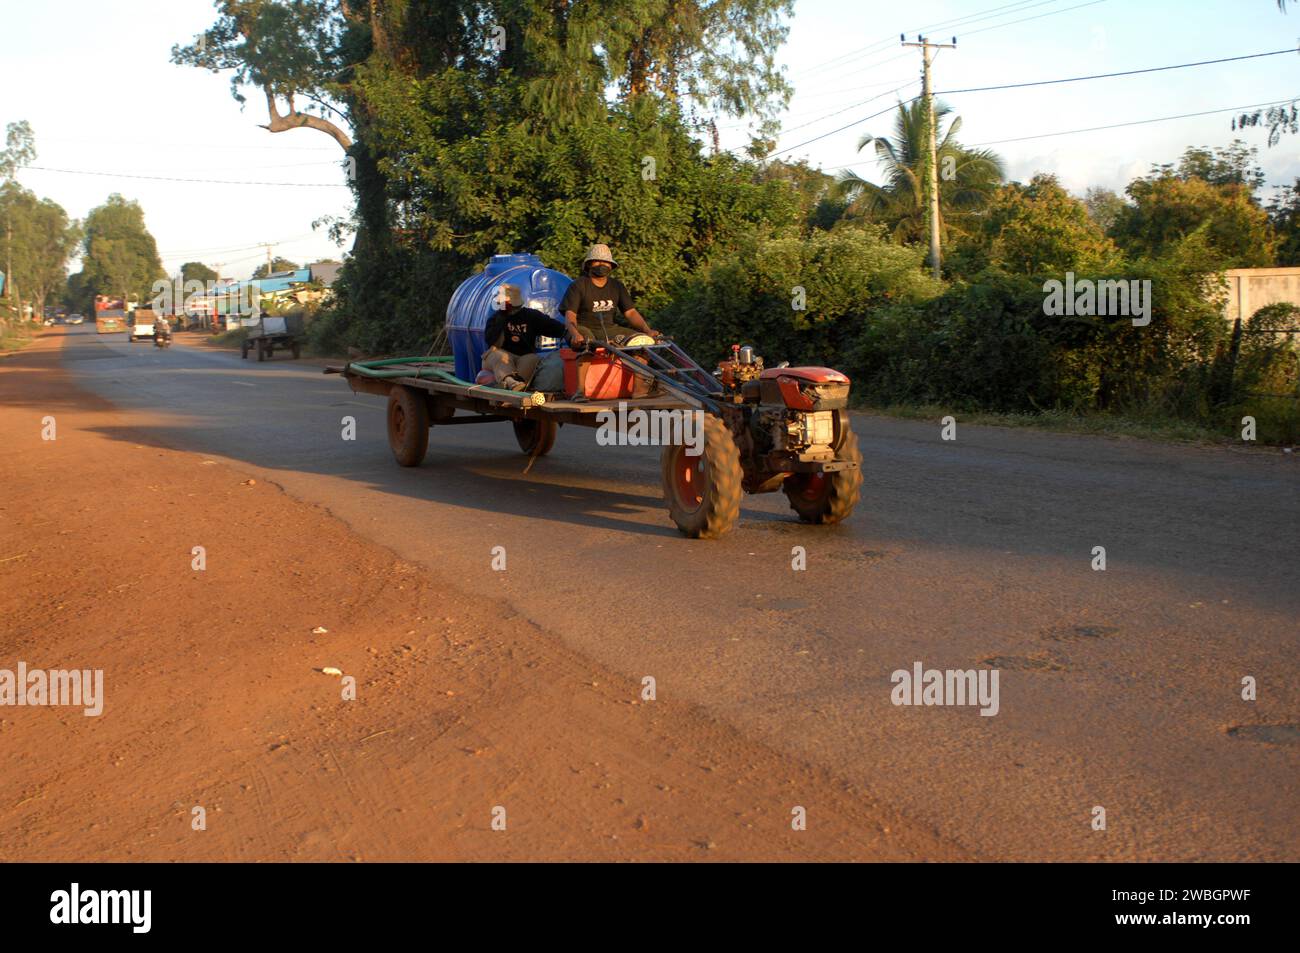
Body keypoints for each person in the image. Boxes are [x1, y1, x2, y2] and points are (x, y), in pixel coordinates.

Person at [481, 283, 580, 391]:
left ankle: (518, 387)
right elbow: (490, 340)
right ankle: (510, 381)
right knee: (500, 356)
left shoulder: (531, 316)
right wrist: (501, 319)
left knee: (532, 359)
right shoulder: (495, 318)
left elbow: (555, 327)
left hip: (524, 355)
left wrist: (572, 335)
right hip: (500, 355)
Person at [560, 244, 659, 344]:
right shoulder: (578, 285)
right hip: (582, 328)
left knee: (640, 341)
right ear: (589, 264)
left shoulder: (617, 286)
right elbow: (570, 314)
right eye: (597, 261)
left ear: (611, 266)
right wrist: (575, 334)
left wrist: (647, 330)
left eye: (606, 262)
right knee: (587, 344)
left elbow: (631, 312)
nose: (602, 264)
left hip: (608, 329)